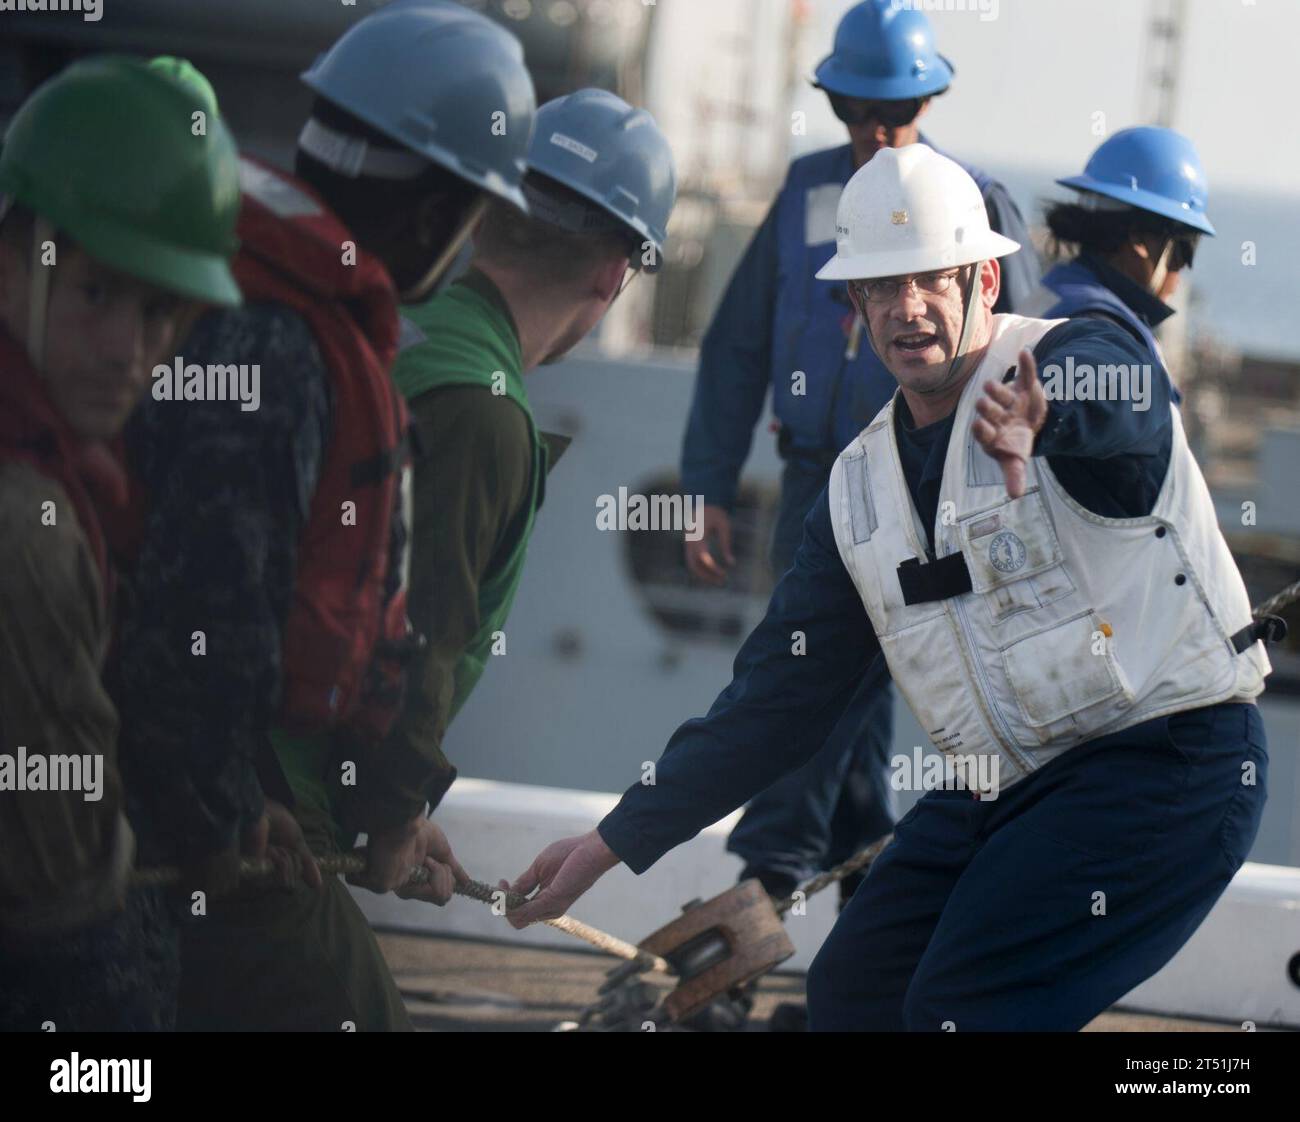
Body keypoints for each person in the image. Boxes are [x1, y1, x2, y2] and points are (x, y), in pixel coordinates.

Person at [504, 144, 1277, 1032]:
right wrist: (612, 843)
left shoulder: (1071, 356)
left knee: (965, 1007)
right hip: (1010, 782)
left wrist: (1043, 414)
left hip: (1166, 762)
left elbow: (1125, 391)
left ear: (987, 278)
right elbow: (778, 698)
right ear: (853, 307)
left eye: (932, 279)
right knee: (854, 995)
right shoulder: (858, 490)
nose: (907, 308)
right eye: (880, 286)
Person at [109, 2, 537, 1031]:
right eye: (474, 214)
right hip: (160, 829)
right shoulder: (283, 344)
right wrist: (229, 817)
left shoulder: (238, 284)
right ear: (438, 215)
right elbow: (198, 616)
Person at [681, 0, 1040, 914]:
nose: (877, 132)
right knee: (836, 683)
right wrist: (706, 484)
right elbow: (735, 346)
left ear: (931, 99)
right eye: (855, 112)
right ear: (834, 103)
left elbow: (1027, 354)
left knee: (829, 675)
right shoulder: (805, 194)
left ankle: (765, 877)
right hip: (812, 480)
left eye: (897, 112)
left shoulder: (973, 202)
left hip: (918, 486)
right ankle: (867, 899)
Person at [0, 57, 242, 1030]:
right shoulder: (29, 526)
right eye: (96, 294)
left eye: (157, 313)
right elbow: (61, 909)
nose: (131, 351)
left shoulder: (59, 472)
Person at [381, 88, 676, 811]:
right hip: (296, 795)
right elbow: (416, 645)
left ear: (481, 218)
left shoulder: (392, 321)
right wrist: (394, 815)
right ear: (614, 273)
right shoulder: (485, 415)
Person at [1026, 126, 1214, 379]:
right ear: (1139, 239)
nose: (1180, 272)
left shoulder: (1054, 294)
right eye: (1183, 250)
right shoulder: (1110, 344)